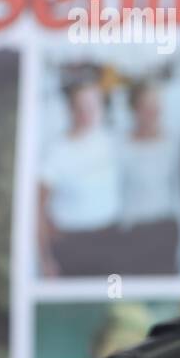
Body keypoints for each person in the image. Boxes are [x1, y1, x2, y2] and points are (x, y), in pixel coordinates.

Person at [38, 69, 123, 277]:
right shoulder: (56, 150)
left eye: (93, 106)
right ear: (70, 108)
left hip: (110, 239)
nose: (87, 113)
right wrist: (45, 259)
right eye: (80, 107)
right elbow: (37, 208)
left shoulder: (111, 140)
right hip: (71, 245)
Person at [118, 80, 180, 275]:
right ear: (135, 109)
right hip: (133, 231)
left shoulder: (173, 143)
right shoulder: (121, 145)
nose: (153, 112)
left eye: (156, 106)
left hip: (165, 228)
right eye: (147, 107)